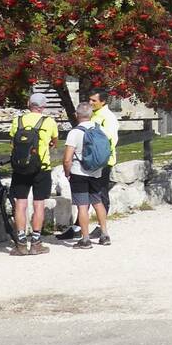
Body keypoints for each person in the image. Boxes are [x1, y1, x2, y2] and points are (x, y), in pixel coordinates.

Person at [6, 93, 57, 256]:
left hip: (20, 168)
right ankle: (36, 242)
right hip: (41, 167)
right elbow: (54, 141)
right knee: (38, 204)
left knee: (20, 204)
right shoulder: (49, 122)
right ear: (43, 106)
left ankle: (21, 243)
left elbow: (12, 142)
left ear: (29, 104)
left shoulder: (18, 121)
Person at [60, 104, 111, 249]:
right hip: (96, 171)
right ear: (90, 114)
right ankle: (105, 234)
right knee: (97, 202)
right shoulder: (98, 128)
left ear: (77, 115)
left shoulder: (75, 133)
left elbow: (67, 159)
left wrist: (67, 173)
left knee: (82, 206)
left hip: (79, 172)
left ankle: (85, 239)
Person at [86, 91, 119, 242]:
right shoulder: (94, 114)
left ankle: (101, 227)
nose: (90, 103)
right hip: (91, 160)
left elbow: (111, 137)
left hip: (103, 161)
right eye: (89, 100)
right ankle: (80, 226)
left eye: (94, 100)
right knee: (88, 192)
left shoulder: (108, 117)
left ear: (103, 101)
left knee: (101, 193)